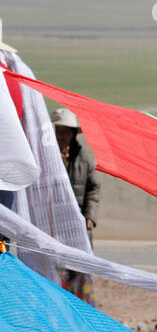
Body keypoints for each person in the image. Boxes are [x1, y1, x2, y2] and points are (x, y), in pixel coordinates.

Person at [51, 107, 99, 306]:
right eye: (59, 131)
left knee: (80, 269)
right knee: (54, 268)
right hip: (53, 224)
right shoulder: (45, 155)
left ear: (73, 134)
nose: (62, 136)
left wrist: (90, 216)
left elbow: (94, 189)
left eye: (66, 132)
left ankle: (81, 312)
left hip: (78, 224)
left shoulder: (84, 158)